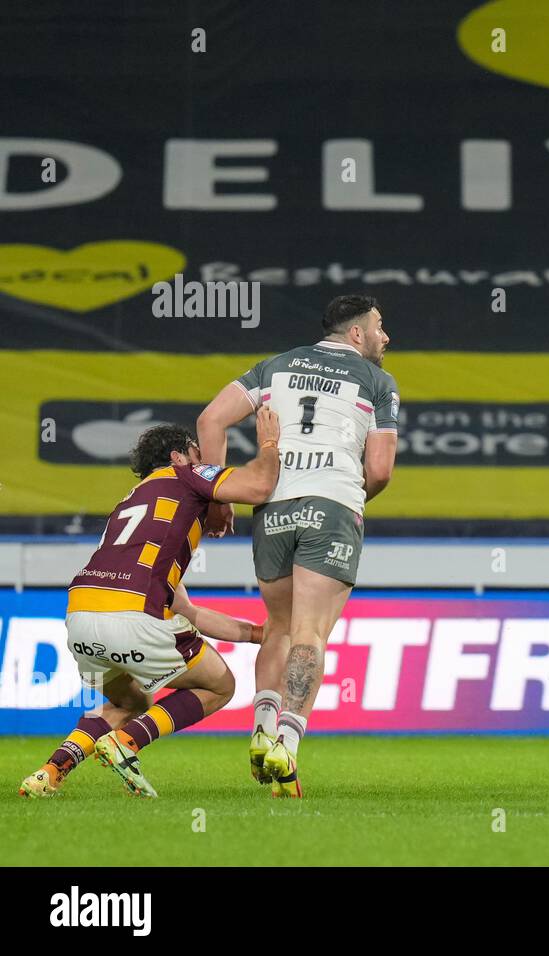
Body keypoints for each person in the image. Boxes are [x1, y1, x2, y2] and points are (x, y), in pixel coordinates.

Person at [19, 410, 281, 798]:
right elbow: (259, 487)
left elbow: (189, 613)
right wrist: (270, 443)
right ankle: (128, 743)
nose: (204, 463)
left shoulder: (135, 504)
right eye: (198, 453)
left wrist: (261, 634)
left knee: (129, 699)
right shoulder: (186, 476)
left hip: (80, 613)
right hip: (135, 611)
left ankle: (50, 772)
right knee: (220, 686)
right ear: (179, 457)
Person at [196, 295, 398, 797]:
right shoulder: (377, 382)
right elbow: (381, 470)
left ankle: (262, 727)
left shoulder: (273, 367)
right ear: (356, 335)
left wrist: (220, 502)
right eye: (379, 327)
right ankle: (286, 742)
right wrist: (349, 498)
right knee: (311, 630)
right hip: (330, 506)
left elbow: (210, 421)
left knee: (279, 627)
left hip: (273, 507)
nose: (385, 336)